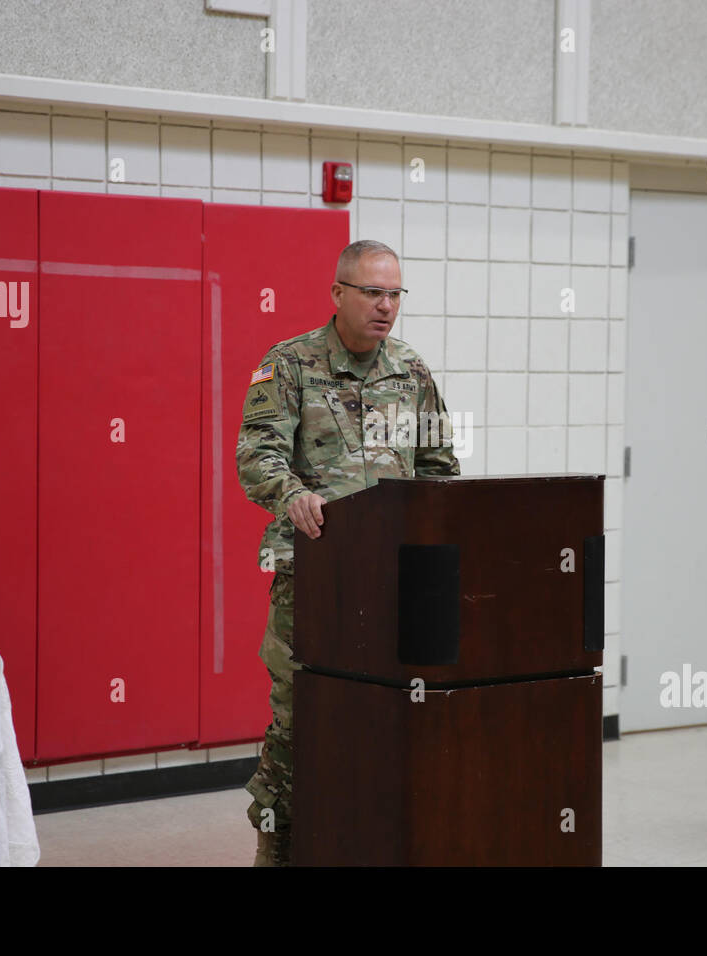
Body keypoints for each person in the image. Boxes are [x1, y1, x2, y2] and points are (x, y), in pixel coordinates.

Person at [234, 239, 461, 865]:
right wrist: (293, 494)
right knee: (300, 724)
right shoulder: (292, 364)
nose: (385, 307)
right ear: (338, 294)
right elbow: (256, 455)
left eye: (394, 295)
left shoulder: (411, 371)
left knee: (387, 721)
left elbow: (442, 467)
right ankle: (277, 854)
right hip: (312, 578)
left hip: (392, 584)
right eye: (372, 293)